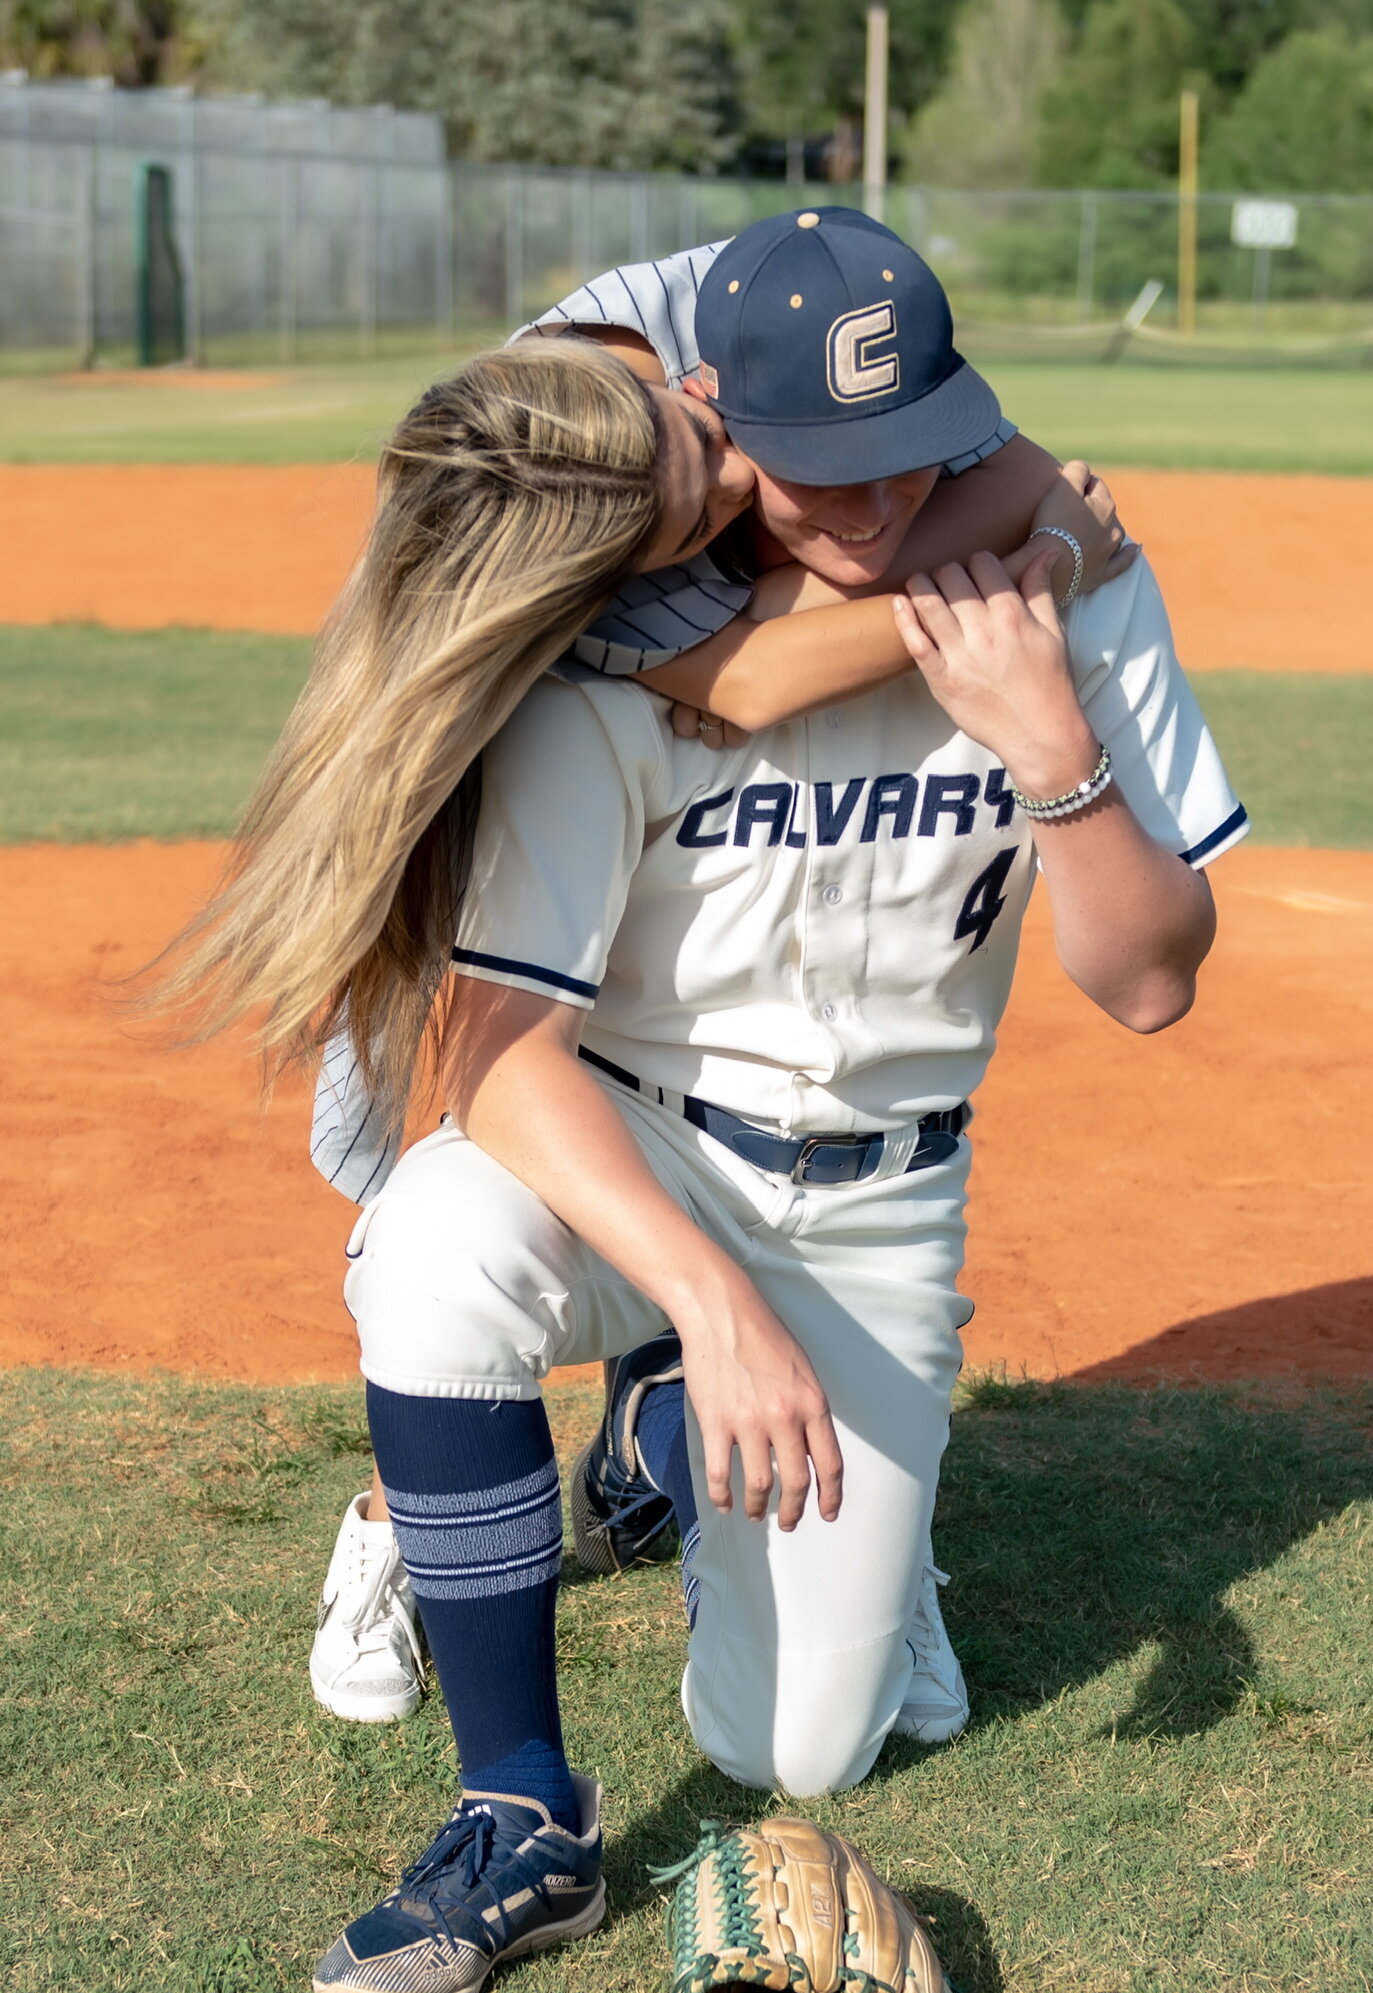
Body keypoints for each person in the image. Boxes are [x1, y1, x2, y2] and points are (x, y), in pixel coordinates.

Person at [167, 206, 1251, 1993]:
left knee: (804, 1754)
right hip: (638, 1135)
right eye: (803, 470)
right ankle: (521, 1801)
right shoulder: (600, 629)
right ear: (720, 425)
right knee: (426, 1245)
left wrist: (1049, 729)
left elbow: (1150, 980)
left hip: (887, 1192)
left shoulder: (1014, 557)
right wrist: (719, 1298)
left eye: (903, 451)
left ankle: (675, 1459)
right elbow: (507, 1024)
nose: (865, 501)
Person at [306, 208, 1138, 1730]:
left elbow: (1012, 467)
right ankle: (395, 1528)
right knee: (430, 1222)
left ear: (683, 376)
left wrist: (1049, 528)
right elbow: (745, 677)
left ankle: (674, 1423)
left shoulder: (729, 311)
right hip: (491, 756)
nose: (737, 469)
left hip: (693, 902)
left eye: (711, 441)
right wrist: (1051, 556)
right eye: (704, 510)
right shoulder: (578, 551)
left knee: (670, 1055)